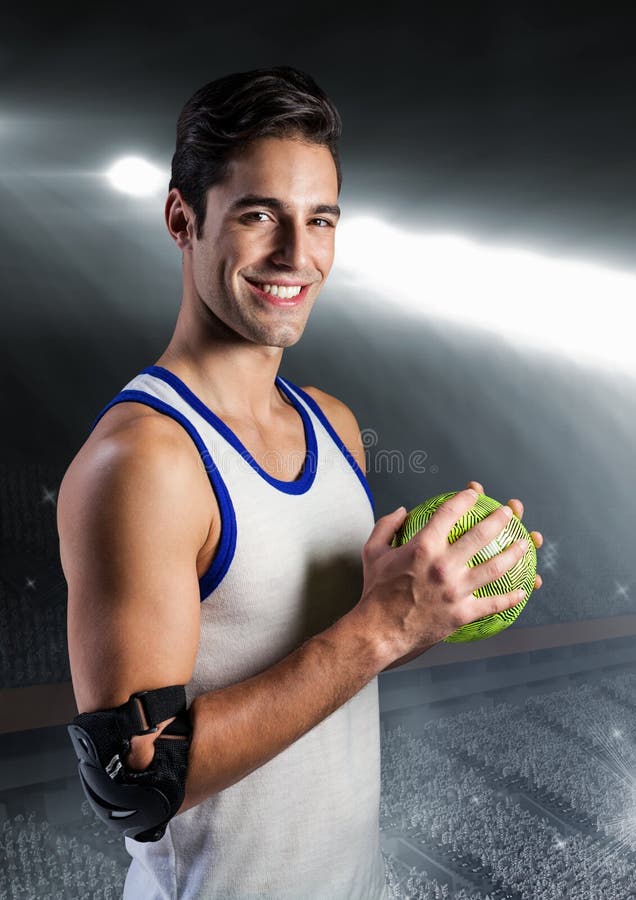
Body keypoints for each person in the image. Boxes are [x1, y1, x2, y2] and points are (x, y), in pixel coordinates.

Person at [57, 66, 543, 900]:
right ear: (182, 219)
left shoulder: (333, 423)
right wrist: (381, 631)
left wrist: (430, 611)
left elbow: (325, 664)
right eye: (258, 215)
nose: (296, 254)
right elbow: (133, 783)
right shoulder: (145, 461)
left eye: (320, 219)